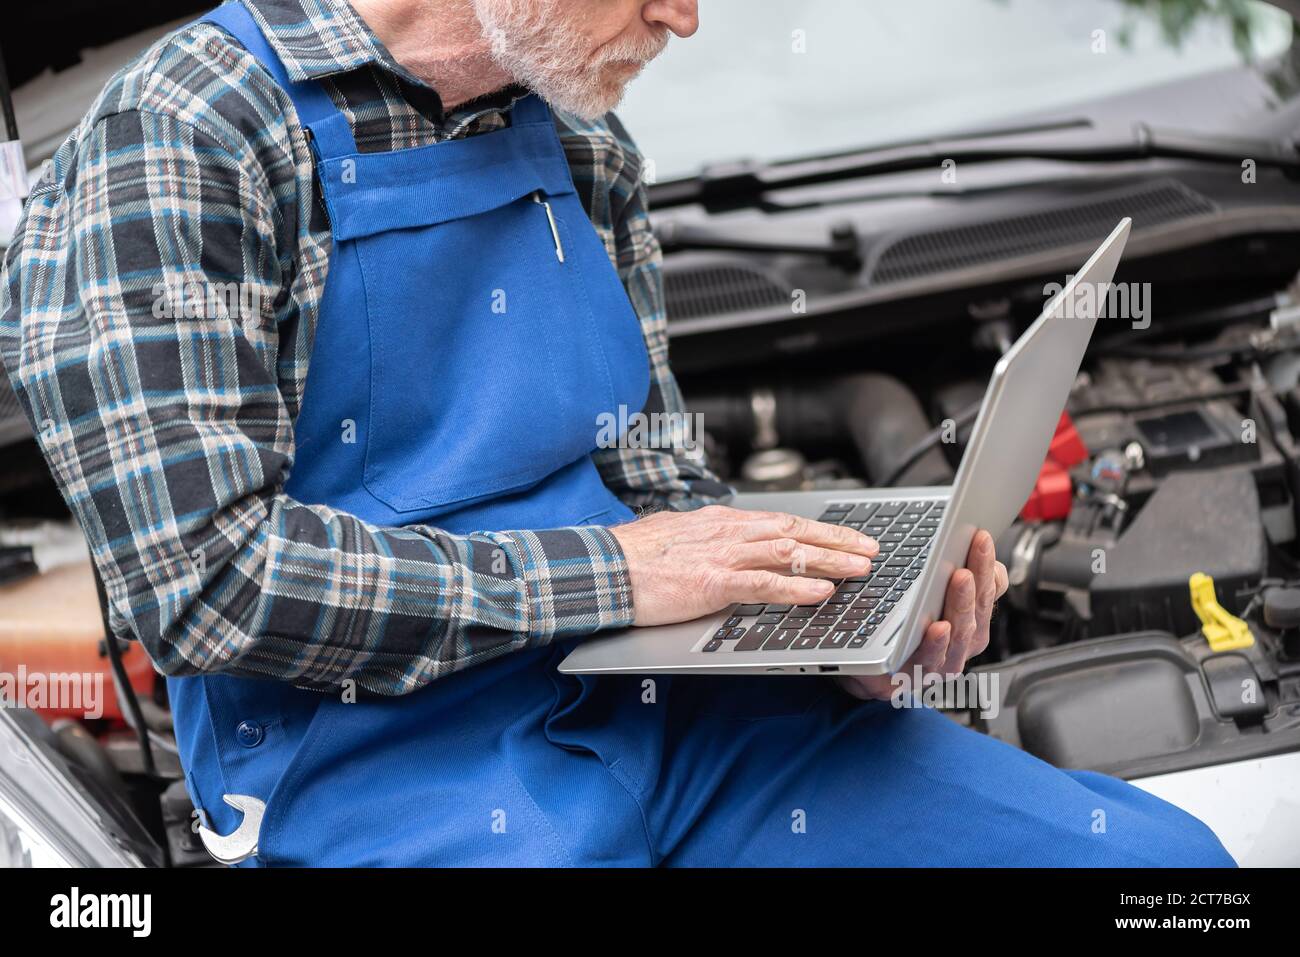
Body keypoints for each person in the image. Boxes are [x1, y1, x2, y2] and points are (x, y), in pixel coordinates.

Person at [0, 0, 1234, 866]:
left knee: (1156, 869)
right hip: (381, 777)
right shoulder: (185, 138)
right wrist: (619, 575)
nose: (687, 16)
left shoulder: (577, 127)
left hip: (677, 713)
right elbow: (210, 586)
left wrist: (825, 630)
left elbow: (647, 477)